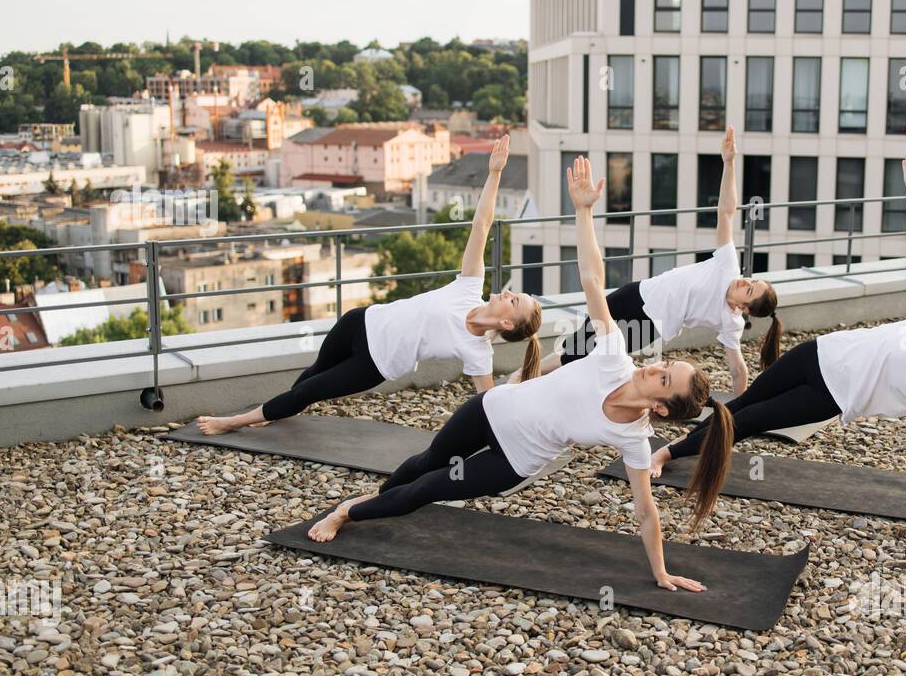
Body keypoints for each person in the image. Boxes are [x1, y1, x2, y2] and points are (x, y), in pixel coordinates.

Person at [309, 157, 736, 592]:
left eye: (663, 377)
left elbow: (646, 512)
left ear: (661, 407)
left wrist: (661, 573)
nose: (655, 365)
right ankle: (376, 501)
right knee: (425, 463)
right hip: (489, 409)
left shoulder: (635, 440)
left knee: (427, 489)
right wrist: (584, 211)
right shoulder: (614, 357)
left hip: (513, 459)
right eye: (665, 364)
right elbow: (592, 279)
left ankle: (346, 513)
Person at [650, 149, 906, 507]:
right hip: (817, 352)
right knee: (743, 401)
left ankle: (667, 453)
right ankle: (671, 427)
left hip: (829, 396)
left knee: (746, 422)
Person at [196, 136, 542, 436]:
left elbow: (485, 402)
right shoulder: (469, 287)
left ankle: (235, 421)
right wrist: (494, 172)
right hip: (360, 322)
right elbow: (481, 225)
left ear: (507, 324)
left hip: (374, 364)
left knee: (311, 390)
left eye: (515, 302)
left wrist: (515, 417)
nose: (509, 293)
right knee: (312, 375)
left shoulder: (478, 352)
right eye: (515, 294)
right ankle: (276, 410)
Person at [537, 127, 780, 396]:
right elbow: (726, 212)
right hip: (638, 292)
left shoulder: (730, 321)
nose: (746, 280)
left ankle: (525, 380)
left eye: (749, 289)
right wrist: (729, 163)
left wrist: (738, 409)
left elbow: (738, 368)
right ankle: (532, 379)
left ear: (742, 308)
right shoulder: (728, 267)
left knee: (586, 353)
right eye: (753, 280)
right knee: (579, 342)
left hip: (650, 325)